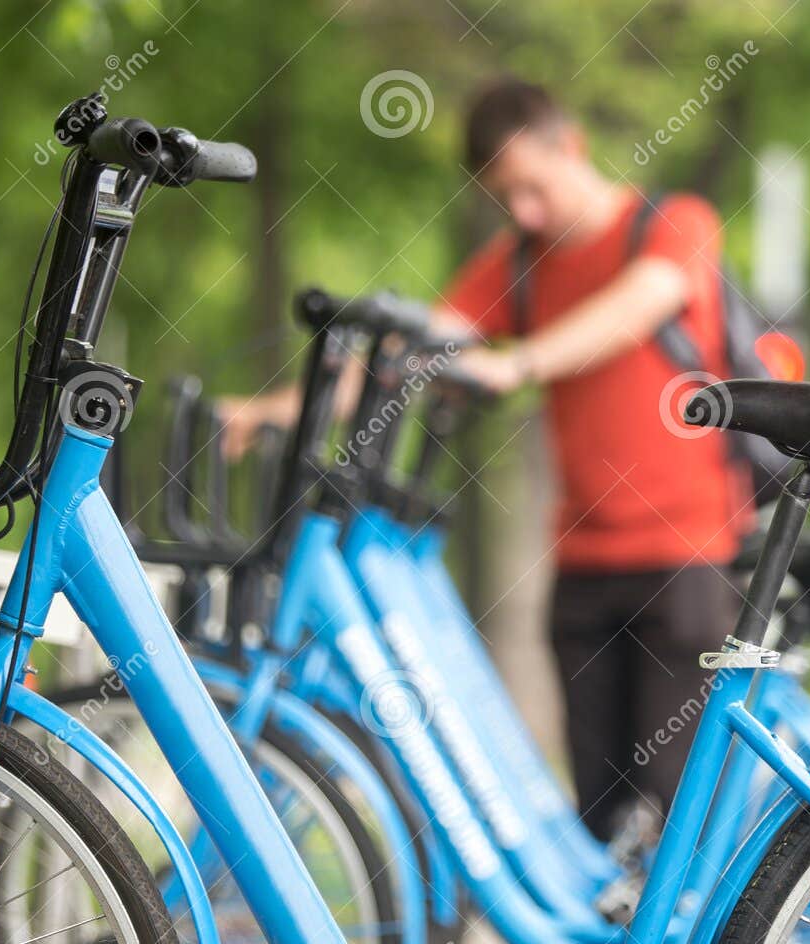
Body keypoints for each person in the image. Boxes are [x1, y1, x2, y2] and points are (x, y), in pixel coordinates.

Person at [220, 78, 750, 841]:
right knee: (601, 815)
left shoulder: (672, 225)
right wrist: (271, 411)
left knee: (678, 813)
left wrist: (519, 362)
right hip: (582, 562)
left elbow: (642, 302)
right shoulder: (518, 265)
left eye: (532, 187)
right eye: (506, 198)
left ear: (570, 144)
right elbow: (411, 352)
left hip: (686, 558)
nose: (523, 212)